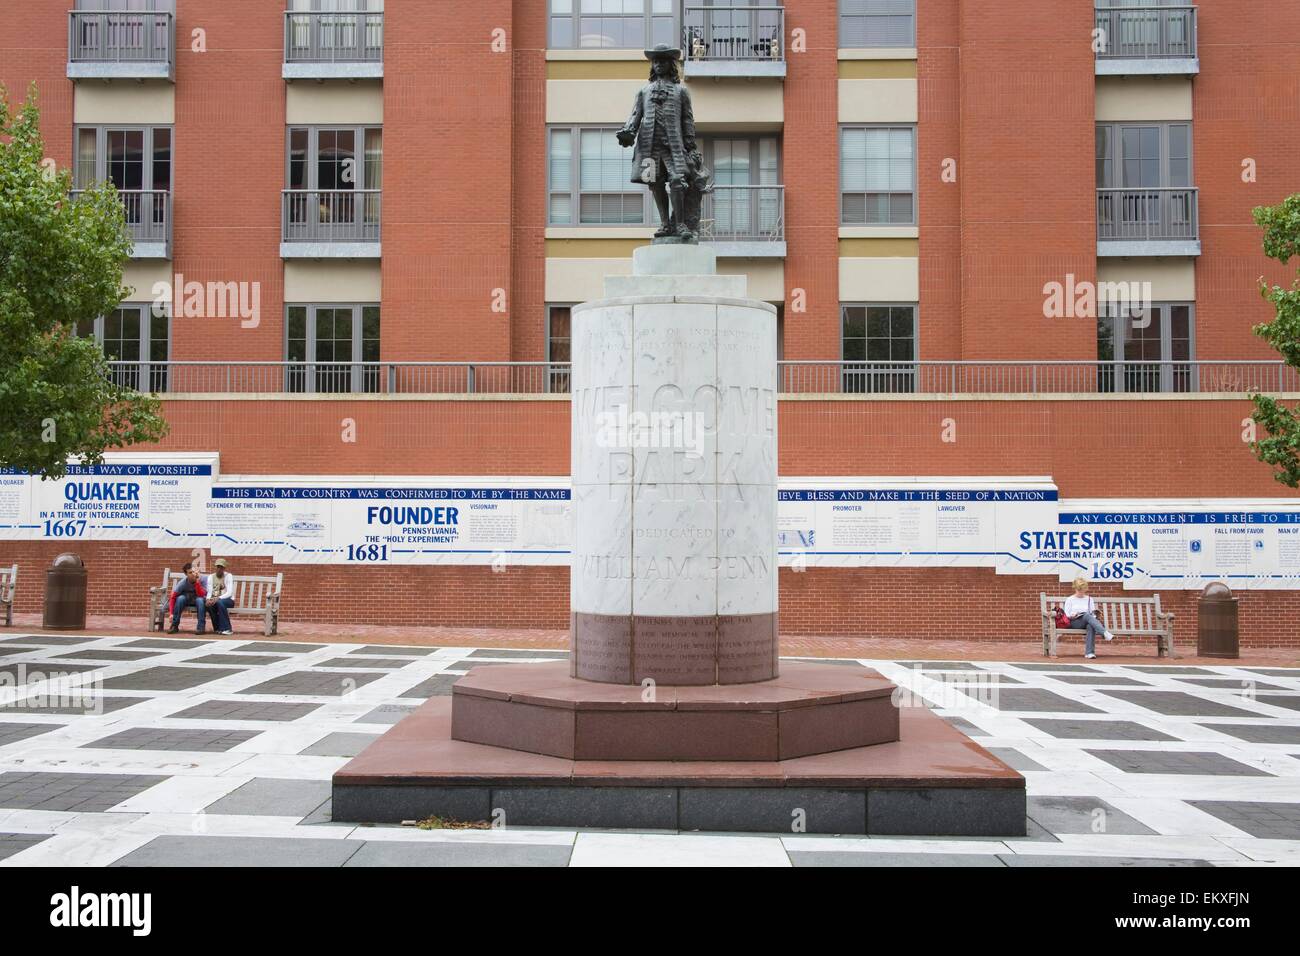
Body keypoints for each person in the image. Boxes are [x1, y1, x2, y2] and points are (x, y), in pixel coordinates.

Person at [615, 44, 710, 242]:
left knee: (677, 181)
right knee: (655, 183)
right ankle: (665, 223)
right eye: (655, 61)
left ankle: (680, 223)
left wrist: (690, 146)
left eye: (663, 61)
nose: (658, 65)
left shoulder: (681, 91)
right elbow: (635, 115)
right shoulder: (644, 92)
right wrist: (628, 132)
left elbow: (687, 120)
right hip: (649, 146)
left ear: (670, 65)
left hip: (674, 145)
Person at [1064, 577, 1113, 659]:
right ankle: (1104, 632)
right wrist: (1073, 615)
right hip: (1074, 622)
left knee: (1090, 625)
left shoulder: (1089, 599)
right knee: (1086, 615)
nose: (1081, 592)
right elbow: (1067, 614)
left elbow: (1092, 613)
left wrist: (1096, 614)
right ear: (1075, 588)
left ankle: (1089, 653)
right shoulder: (1070, 599)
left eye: (1082, 590)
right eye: (1079, 590)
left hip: (1087, 621)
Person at [167, 563, 207, 634]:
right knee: (180, 598)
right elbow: (173, 597)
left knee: (200, 600)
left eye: (193, 572)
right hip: (187, 600)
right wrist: (171, 614)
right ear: (186, 574)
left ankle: (201, 627)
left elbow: (202, 595)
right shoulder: (182, 583)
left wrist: (197, 582)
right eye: (190, 573)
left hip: (198, 599)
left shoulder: (202, 579)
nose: (193, 574)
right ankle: (174, 626)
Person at [203, 559, 236, 636]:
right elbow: (209, 592)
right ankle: (217, 628)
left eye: (221, 567)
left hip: (228, 600)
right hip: (215, 600)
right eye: (218, 566)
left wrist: (218, 598)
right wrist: (208, 599)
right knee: (209, 605)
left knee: (219, 602)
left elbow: (229, 593)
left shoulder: (228, 576)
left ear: (224, 568)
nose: (219, 569)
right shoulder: (211, 577)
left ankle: (227, 629)